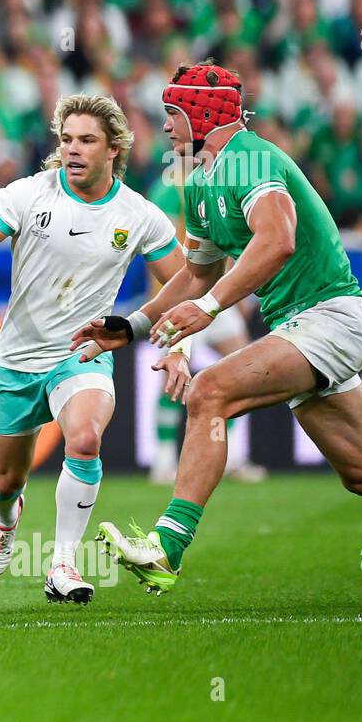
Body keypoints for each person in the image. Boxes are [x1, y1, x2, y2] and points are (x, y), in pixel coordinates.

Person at [75, 61, 362, 594]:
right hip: (304, 325)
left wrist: (209, 308)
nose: (164, 127)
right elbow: (197, 272)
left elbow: (278, 238)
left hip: (328, 316)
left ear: (199, 113)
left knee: (209, 391)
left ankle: (167, 549)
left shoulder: (248, 158)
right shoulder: (200, 180)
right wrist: (135, 324)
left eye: (171, 114)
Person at [0, 94, 188, 603]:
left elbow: (184, 280)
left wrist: (170, 339)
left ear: (114, 148)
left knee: (85, 439)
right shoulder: (30, 195)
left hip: (82, 354)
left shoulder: (138, 215)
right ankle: (6, 516)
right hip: (17, 359)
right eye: (67, 140)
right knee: (7, 478)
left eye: (86, 141)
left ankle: (63, 565)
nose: (73, 150)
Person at [146, 161, 267, 484]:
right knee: (174, 376)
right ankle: (162, 460)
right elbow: (161, 248)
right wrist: (165, 299)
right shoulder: (170, 187)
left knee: (244, 367)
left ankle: (233, 457)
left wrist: (236, 295)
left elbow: (227, 242)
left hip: (215, 295)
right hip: (184, 294)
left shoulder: (219, 179)